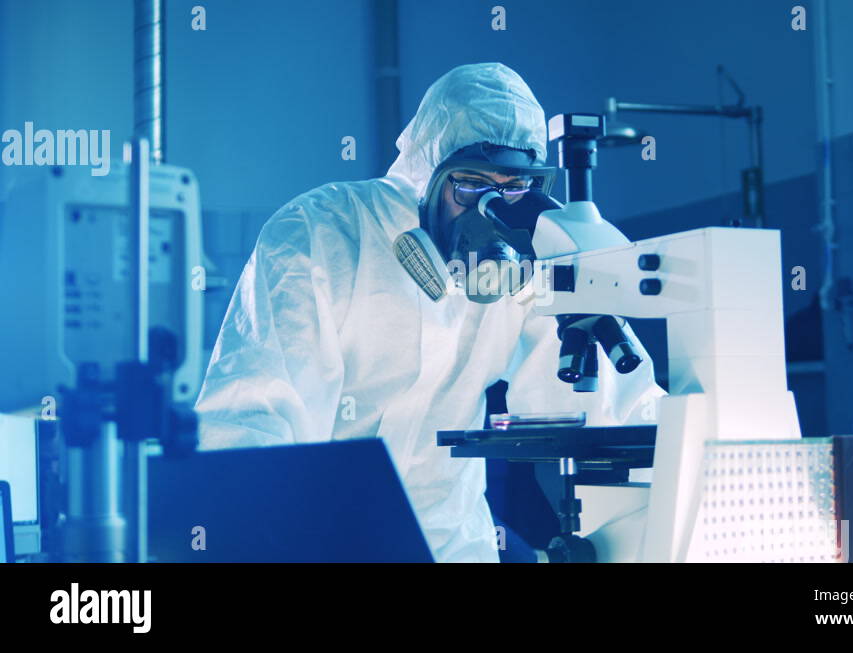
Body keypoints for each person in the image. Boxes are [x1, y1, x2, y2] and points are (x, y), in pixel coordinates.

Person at [195, 62, 665, 562]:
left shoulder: (518, 268)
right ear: (426, 176)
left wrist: (690, 453)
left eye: (512, 189)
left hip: (455, 549)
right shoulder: (323, 235)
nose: (491, 214)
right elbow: (253, 428)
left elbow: (612, 410)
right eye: (470, 185)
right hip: (321, 548)